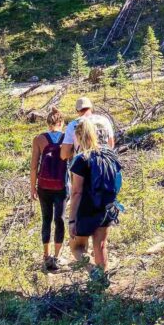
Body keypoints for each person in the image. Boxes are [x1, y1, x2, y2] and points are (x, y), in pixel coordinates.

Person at [67, 117, 122, 274]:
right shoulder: (110, 155)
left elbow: (76, 192)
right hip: (108, 206)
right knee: (101, 245)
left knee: (77, 247)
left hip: (87, 209)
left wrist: (72, 220)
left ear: (78, 136)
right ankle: (102, 281)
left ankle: (94, 273)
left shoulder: (80, 159)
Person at [29, 107, 68, 272]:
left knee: (46, 219)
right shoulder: (67, 139)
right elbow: (71, 164)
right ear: (62, 122)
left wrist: (32, 187)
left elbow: (33, 166)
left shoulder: (38, 139)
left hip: (43, 186)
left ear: (48, 122)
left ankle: (46, 256)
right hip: (61, 185)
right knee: (59, 219)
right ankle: (57, 257)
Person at [60, 96, 115, 161]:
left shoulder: (73, 125)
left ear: (77, 110)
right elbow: (111, 144)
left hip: (84, 165)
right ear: (91, 108)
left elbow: (64, 154)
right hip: (104, 162)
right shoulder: (104, 120)